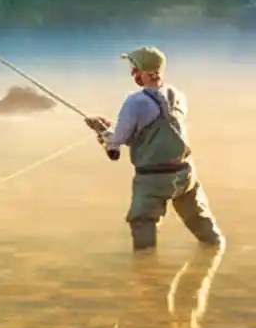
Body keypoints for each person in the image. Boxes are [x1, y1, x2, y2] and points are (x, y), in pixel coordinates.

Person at [85, 47, 224, 251]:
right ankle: (216, 250)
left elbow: (118, 140)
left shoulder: (135, 102)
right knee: (200, 220)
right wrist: (113, 130)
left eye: (133, 68)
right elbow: (158, 129)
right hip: (185, 174)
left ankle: (145, 266)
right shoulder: (177, 95)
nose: (131, 73)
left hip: (153, 179)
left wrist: (102, 131)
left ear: (140, 72)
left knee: (142, 222)